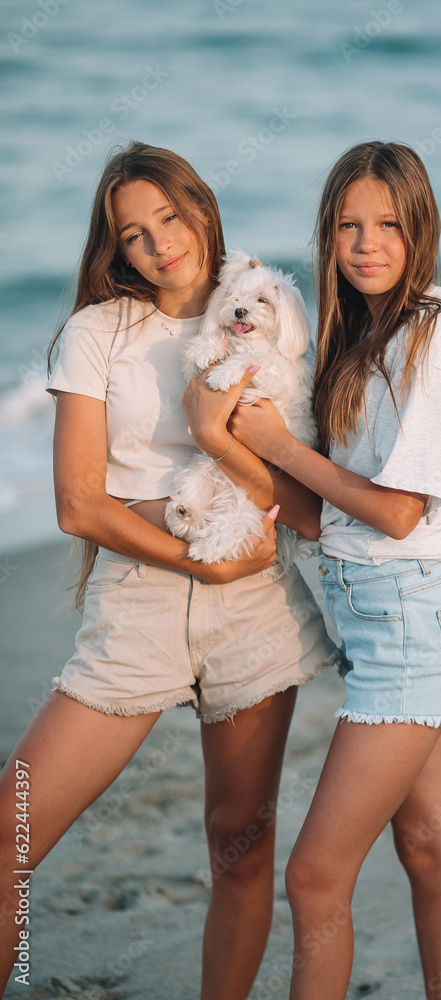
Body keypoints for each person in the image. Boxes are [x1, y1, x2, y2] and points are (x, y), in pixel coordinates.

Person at [0, 141, 338, 1000]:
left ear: (202, 209)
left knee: (239, 844)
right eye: (133, 233)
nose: (158, 244)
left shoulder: (271, 316)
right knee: (13, 834)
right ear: (114, 250)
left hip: (258, 608)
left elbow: (305, 510)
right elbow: (79, 504)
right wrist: (201, 561)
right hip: (139, 602)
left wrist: (223, 445)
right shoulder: (96, 332)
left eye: (170, 218)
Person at [184, 140, 441, 999]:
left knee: (314, 876)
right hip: (380, 612)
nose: (366, 243)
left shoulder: (429, 334)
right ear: (327, 234)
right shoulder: (367, 334)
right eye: (348, 226)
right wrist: (227, 445)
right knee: (428, 848)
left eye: (387, 225)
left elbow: (396, 512)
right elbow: (330, 517)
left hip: (410, 621)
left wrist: (277, 445)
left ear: (418, 227)